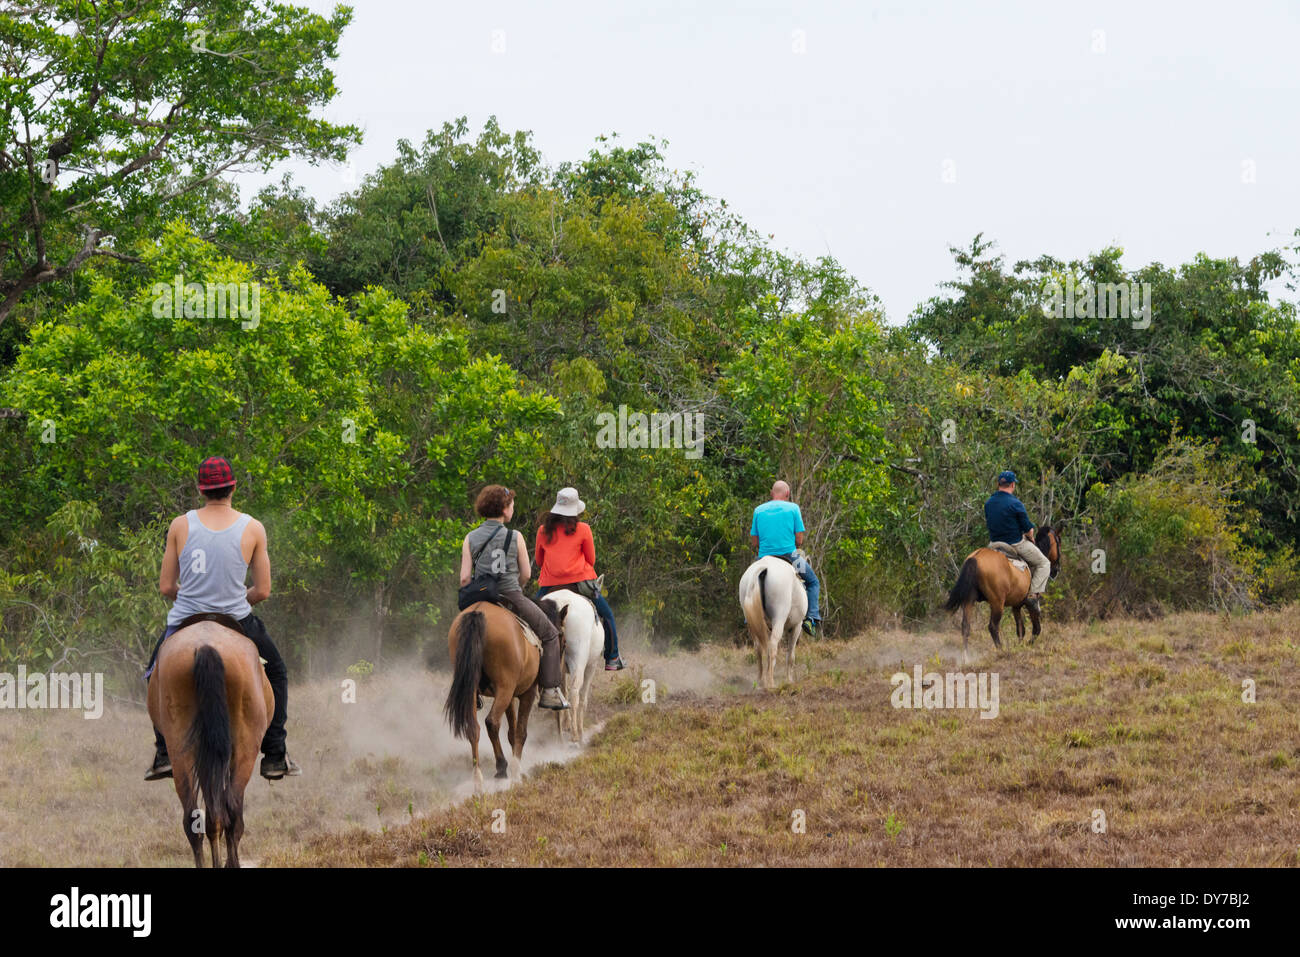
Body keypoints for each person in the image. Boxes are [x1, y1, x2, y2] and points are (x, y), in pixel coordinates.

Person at [144, 456, 300, 781]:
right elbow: (263, 590)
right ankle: (274, 753)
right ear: (234, 487)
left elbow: (166, 586)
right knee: (280, 673)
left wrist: (190, 597)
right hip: (237, 619)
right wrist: (238, 597)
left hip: (187, 616)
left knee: (153, 673)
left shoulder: (179, 525)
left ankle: (162, 751)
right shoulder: (253, 527)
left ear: (200, 489)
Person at [461, 485, 569, 710]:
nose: (513, 509)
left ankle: (469, 688)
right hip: (510, 595)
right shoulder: (515, 536)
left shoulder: (470, 538)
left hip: (480, 597)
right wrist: (515, 589)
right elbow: (527, 574)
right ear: (503, 509)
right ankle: (549, 691)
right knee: (550, 634)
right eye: (511, 505)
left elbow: (464, 579)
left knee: (464, 637)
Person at [533, 487, 626, 671]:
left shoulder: (543, 531)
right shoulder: (583, 529)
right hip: (580, 584)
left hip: (550, 585)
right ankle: (613, 657)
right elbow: (591, 560)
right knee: (607, 615)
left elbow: (538, 561)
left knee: (530, 616)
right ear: (575, 511)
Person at [749, 480, 822, 635]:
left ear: (771, 493)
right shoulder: (793, 508)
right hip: (791, 556)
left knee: (750, 583)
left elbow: (754, 542)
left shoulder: (758, 510)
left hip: (764, 556)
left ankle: (747, 617)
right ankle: (811, 618)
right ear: (788, 494)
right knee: (813, 582)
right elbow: (799, 541)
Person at [984, 470, 1050, 612]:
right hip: (1015, 544)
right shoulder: (1015, 503)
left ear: (998, 485)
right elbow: (1029, 530)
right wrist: (1031, 539)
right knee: (1044, 563)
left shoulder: (988, 503)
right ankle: (1033, 596)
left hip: (993, 544)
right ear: (1012, 485)